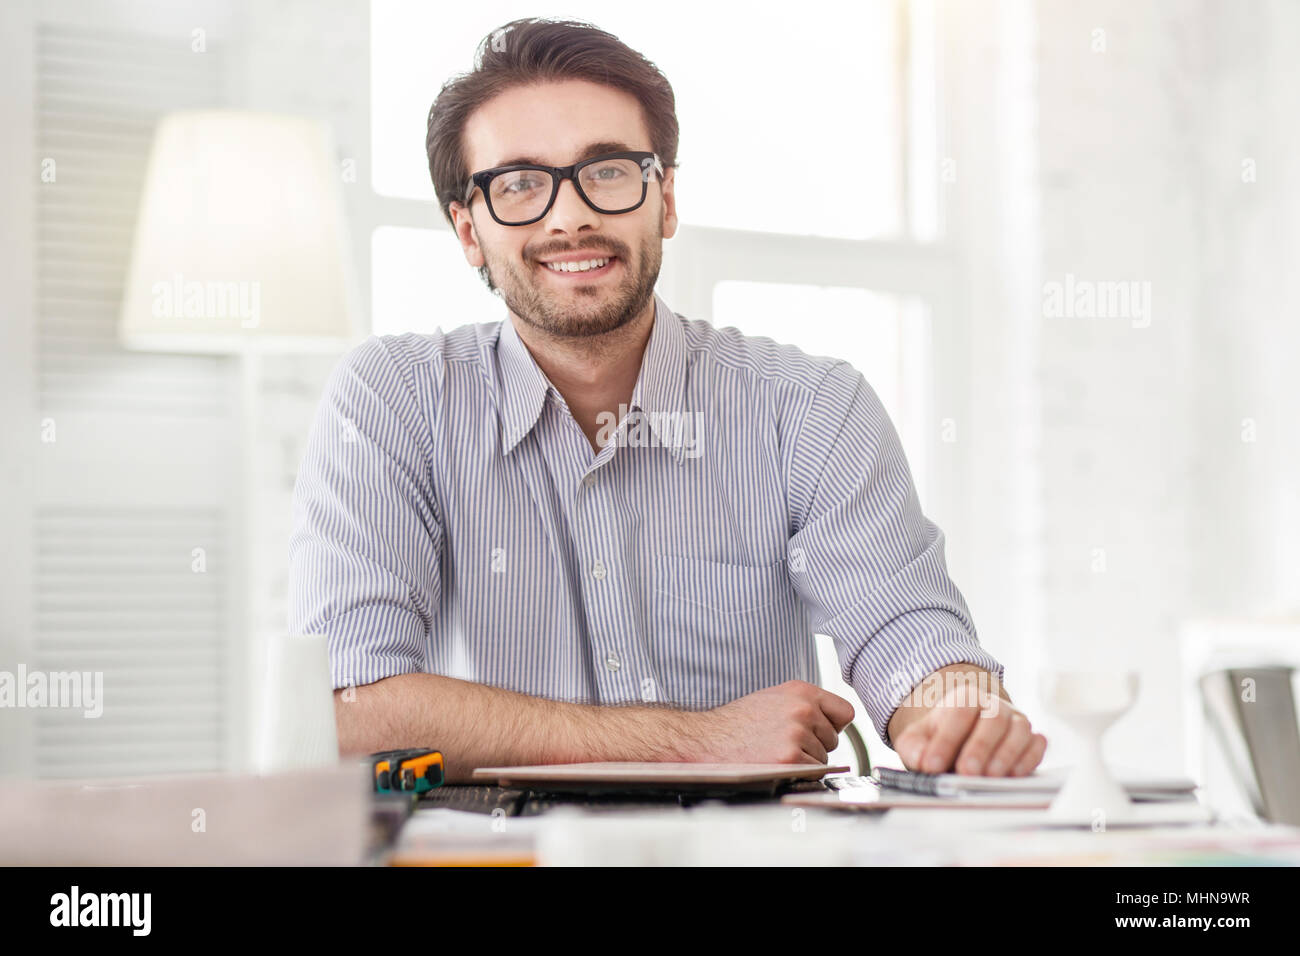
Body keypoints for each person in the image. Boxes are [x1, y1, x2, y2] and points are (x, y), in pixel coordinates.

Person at [288, 17, 1047, 783]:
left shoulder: (811, 407)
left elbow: (906, 627)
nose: (569, 215)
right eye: (518, 184)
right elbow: (352, 711)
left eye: (609, 171)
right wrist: (694, 739)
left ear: (666, 199)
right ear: (468, 232)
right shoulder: (391, 403)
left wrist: (963, 709)